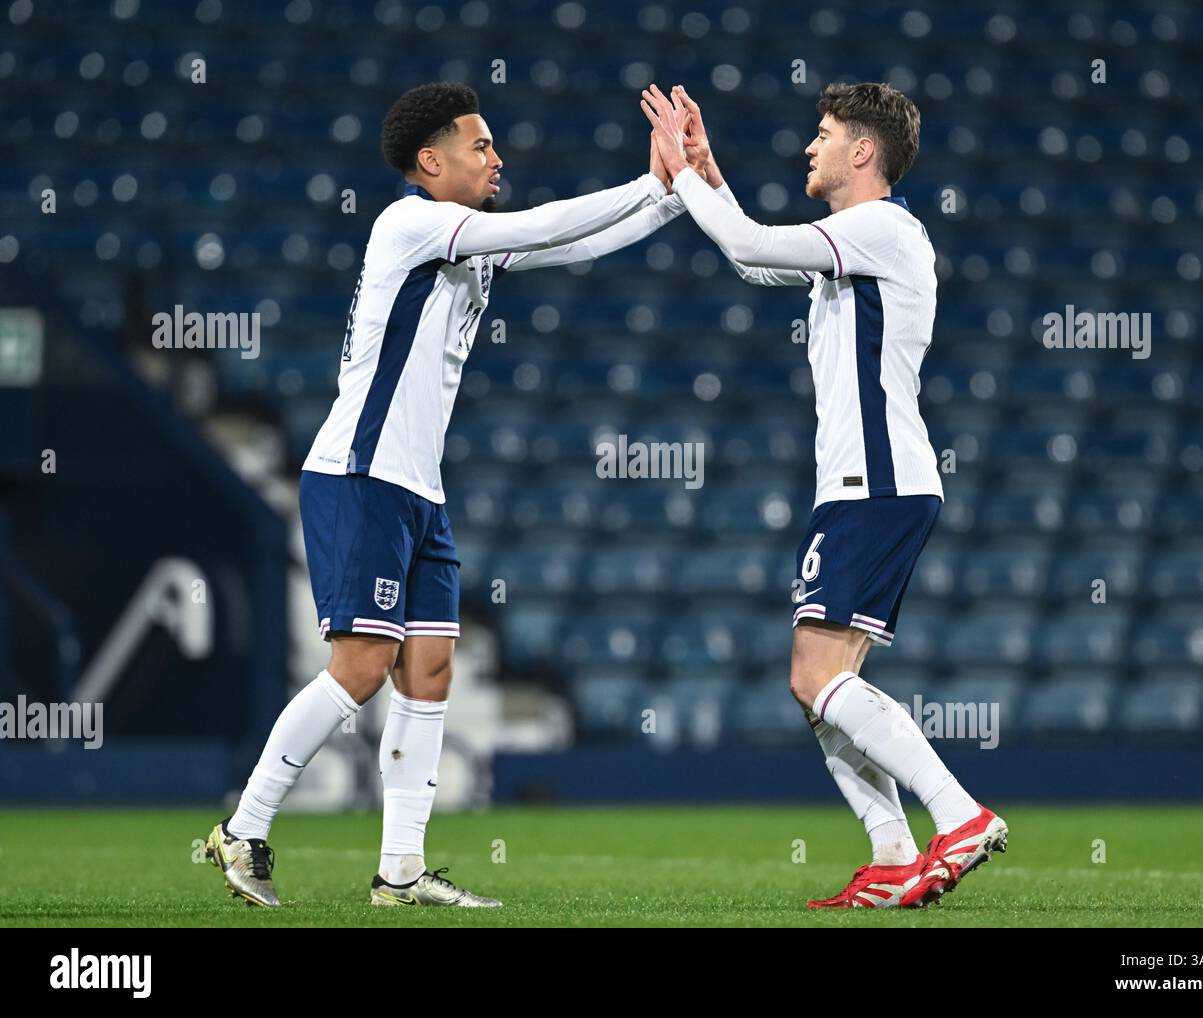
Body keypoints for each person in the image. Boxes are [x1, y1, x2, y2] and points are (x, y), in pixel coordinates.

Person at [206, 82, 684, 908]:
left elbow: (568, 249)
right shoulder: (409, 222)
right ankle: (243, 828)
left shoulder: (461, 240)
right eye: (481, 145)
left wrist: (678, 196)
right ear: (430, 162)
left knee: (428, 672)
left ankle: (399, 872)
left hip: (417, 488)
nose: (497, 158)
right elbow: (542, 225)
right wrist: (651, 184)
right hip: (361, 475)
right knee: (360, 670)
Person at [641, 81, 1007, 909]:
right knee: (820, 681)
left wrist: (681, 172)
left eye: (826, 132)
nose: (811, 146)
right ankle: (892, 855)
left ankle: (958, 814)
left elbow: (744, 239)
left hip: (875, 483)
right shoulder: (861, 238)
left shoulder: (881, 228)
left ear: (863, 153)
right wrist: (705, 166)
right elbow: (746, 254)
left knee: (816, 677)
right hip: (866, 485)